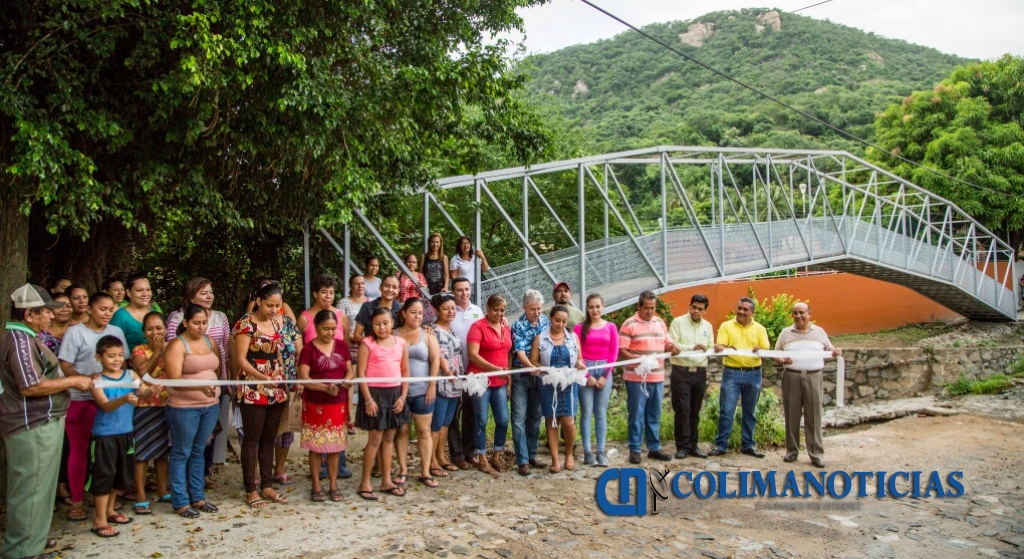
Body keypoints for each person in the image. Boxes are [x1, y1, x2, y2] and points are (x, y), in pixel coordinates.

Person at [1, 284, 92, 558]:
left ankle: (33, 541)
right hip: (32, 424)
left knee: (39, 488)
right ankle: (21, 550)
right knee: (30, 488)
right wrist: (74, 380)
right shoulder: (19, 340)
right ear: (29, 314)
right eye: (46, 312)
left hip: (39, 422)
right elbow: (30, 386)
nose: (51, 317)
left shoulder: (22, 338)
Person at [58, 291, 127, 521]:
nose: (107, 314)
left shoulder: (116, 332)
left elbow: (122, 362)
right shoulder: (75, 332)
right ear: (89, 309)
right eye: (102, 309)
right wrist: (84, 382)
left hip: (111, 399)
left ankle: (108, 505)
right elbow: (65, 365)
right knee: (80, 452)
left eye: (110, 309)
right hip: (81, 400)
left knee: (110, 453)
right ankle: (77, 501)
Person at [233, 282, 290, 508]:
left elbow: (279, 352)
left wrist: (284, 377)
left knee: (269, 437)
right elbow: (240, 359)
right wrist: (260, 376)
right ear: (258, 301)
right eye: (269, 305)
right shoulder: (245, 324)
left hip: (275, 384)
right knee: (252, 439)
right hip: (253, 385)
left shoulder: (278, 322)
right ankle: (250, 489)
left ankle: (267, 485)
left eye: (277, 305)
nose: (274, 310)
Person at [88, 335, 150, 537]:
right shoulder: (97, 381)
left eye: (119, 355)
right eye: (110, 356)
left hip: (126, 433)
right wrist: (124, 398)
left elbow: (145, 391)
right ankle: (99, 520)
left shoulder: (130, 375)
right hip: (105, 435)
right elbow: (105, 405)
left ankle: (110, 509)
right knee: (104, 475)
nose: (115, 359)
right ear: (99, 357)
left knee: (120, 474)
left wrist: (152, 389)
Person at [166, 278, 232, 469]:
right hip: (185, 397)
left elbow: (225, 351)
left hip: (214, 388)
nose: (209, 296)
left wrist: (223, 382)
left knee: (207, 437)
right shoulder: (177, 319)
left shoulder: (220, 317)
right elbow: (173, 351)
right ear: (191, 296)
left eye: (211, 292)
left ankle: (204, 475)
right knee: (184, 447)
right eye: (203, 293)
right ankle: (182, 487)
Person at [164, 304, 221, 517]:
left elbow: (217, 368)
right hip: (184, 407)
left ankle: (197, 496)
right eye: (196, 323)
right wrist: (199, 386)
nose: (201, 327)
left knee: (199, 450)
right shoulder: (177, 345)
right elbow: (173, 378)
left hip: (210, 406)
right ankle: (180, 500)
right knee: (182, 451)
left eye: (204, 322)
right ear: (185, 323)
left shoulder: (210, 341)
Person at [297, 274, 354, 478]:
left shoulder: (341, 315)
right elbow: (299, 349)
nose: (328, 296)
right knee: (317, 432)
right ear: (315, 293)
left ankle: (339, 467)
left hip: (338, 385)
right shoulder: (305, 318)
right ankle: (318, 473)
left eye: (331, 292)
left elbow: (344, 346)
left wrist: (347, 379)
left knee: (338, 427)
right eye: (323, 292)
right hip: (314, 382)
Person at [773, 303, 842, 468]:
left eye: (802, 312)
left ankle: (816, 454)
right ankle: (791, 452)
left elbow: (831, 350)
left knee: (814, 417)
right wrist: (782, 359)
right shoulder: (785, 333)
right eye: (795, 313)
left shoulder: (819, 332)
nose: (798, 316)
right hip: (791, 377)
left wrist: (837, 351)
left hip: (813, 376)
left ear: (809, 314)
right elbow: (776, 353)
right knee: (792, 415)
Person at [355, 307, 410, 500]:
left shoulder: (400, 343)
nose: (382, 327)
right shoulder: (367, 343)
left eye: (385, 323)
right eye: (377, 323)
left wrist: (403, 397)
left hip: (394, 394)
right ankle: (365, 483)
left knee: (389, 438)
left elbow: (405, 372)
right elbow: (360, 373)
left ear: (393, 323)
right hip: (374, 395)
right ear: (372, 324)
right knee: (375, 439)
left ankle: (387, 480)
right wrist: (368, 400)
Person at [618, 290, 679, 464]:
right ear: (639, 306)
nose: (650, 311)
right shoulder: (629, 324)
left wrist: (673, 347)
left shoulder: (660, 322)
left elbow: (667, 343)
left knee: (654, 414)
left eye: (653, 308)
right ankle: (635, 449)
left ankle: (654, 447)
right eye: (646, 308)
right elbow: (622, 350)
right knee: (636, 414)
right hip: (636, 378)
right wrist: (639, 360)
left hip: (657, 377)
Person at [711, 297, 770, 458]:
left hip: (753, 373)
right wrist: (723, 347)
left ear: (752, 312)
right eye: (739, 308)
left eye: (745, 309)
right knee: (727, 410)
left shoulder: (760, 329)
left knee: (750, 412)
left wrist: (759, 349)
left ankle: (748, 445)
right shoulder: (726, 326)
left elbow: (765, 350)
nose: (741, 312)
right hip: (732, 373)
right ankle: (721, 445)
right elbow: (720, 345)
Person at [532, 305, 586, 473]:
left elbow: (580, 358)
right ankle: (555, 460)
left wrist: (580, 364)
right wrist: (545, 369)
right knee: (551, 421)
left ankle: (568, 455)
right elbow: (533, 361)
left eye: (563, 321)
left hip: (569, 384)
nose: (560, 324)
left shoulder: (573, 337)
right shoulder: (540, 339)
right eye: (557, 320)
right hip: (548, 384)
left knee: (569, 422)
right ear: (550, 319)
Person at [394, 298, 441, 488]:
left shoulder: (428, 335)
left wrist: (431, 385)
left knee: (424, 432)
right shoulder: (394, 334)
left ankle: (425, 471)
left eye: (420, 313)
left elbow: (436, 360)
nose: (417, 316)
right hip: (400, 393)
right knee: (402, 431)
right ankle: (403, 470)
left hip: (423, 391)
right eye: (413, 312)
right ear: (404, 313)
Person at [129, 312, 172, 515]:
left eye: (159, 328)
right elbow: (143, 372)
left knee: (163, 452)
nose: (155, 332)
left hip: (168, 404)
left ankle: (163, 489)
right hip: (145, 406)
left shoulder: (172, 347)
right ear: (144, 332)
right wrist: (156, 352)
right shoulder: (139, 350)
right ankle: (141, 496)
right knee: (143, 453)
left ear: (166, 329)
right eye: (150, 328)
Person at [466, 294, 512, 477]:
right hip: (480, 380)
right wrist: (494, 369)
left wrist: (508, 378)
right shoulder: (477, 327)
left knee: (502, 419)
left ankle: (497, 455)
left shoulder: (505, 327)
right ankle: (482, 457)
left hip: (500, 381)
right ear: (487, 309)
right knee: (482, 419)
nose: (499, 314)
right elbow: (473, 354)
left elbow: (509, 353)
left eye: (502, 310)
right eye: (496, 310)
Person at [667, 294, 714, 459]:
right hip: (681, 371)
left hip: (700, 371)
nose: (696, 311)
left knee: (695, 411)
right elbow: (672, 344)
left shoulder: (707, 326)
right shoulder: (678, 322)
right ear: (690, 306)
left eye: (700, 309)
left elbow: (709, 347)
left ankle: (693, 446)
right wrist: (692, 347)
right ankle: (682, 446)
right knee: (682, 410)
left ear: (705, 310)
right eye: (694, 307)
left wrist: (718, 347)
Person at [574, 293, 618, 467]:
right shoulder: (579, 328)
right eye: (591, 307)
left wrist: (605, 376)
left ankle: (600, 451)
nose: (595, 310)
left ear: (603, 307)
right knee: (586, 412)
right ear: (586, 308)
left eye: (598, 306)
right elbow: (578, 355)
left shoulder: (611, 327)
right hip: (586, 370)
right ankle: (587, 452)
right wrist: (587, 376)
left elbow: (614, 353)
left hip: (604, 370)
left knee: (600, 412)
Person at [509, 289, 548, 476]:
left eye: (539, 309)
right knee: (519, 417)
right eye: (533, 309)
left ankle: (532, 454)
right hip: (521, 374)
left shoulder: (545, 321)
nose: (536, 312)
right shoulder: (518, 325)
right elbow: (520, 351)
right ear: (525, 307)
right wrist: (530, 366)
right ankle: (522, 460)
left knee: (535, 416)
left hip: (540, 375)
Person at [447, 277, 483, 470]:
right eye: (459, 290)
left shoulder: (477, 311)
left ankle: (470, 452)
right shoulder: (449, 311)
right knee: (452, 414)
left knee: (471, 413)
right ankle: (456, 453)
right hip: (452, 372)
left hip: (472, 372)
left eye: (467, 289)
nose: (464, 293)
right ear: (453, 291)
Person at [428, 293, 463, 477]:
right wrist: (448, 372)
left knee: (446, 423)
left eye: (452, 308)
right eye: (445, 308)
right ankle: (431, 461)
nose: (450, 311)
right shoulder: (435, 330)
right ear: (437, 310)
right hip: (443, 381)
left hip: (455, 384)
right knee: (437, 423)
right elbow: (439, 355)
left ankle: (441, 456)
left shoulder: (450, 329)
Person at [338, 274, 367, 435]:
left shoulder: (369, 303)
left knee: (366, 384)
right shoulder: (344, 303)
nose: (360, 286)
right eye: (356, 283)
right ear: (350, 286)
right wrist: (360, 338)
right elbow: (342, 328)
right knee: (350, 384)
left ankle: (362, 418)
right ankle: (349, 419)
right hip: (350, 349)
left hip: (367, 349)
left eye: (362, 283)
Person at [110, 271, 158, 353]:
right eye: (139, 290)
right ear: (128, 292)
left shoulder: (154, 314)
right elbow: (111, 347)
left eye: (148, 290)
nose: (145, 294)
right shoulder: (120, 316)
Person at [353, 275, 401, 344]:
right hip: (371, 351)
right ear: (380, 287)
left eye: (394, 287)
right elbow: (356, 336)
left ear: (398, 290)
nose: (390, 290)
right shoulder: (367, 307)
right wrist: (376, 343)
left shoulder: (400, 310)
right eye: (386, 286)